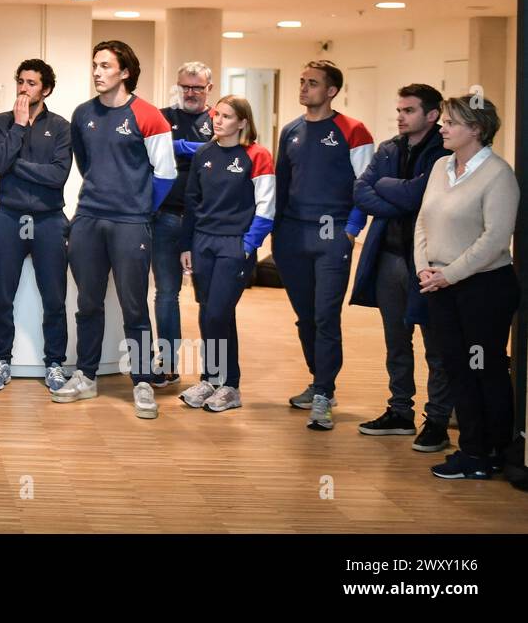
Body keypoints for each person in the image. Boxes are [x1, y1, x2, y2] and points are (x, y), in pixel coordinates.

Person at [61, 40, 176, 420]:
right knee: (87, 303)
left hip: (131, 222)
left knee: (134, 306)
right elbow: (86, 162)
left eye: (105, 66)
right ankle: (86, 375)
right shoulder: (82, 114)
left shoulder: (149, 116)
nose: (97, 72)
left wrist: (140, 208)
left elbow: (166, 173)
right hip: (89, 218)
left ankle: (142, 381)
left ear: (125, 72)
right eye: (94, 65)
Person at [414, 95, 520, 480]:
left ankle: (490, 452)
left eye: (451, 122)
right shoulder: (442, 166)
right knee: (457, 368)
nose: (442, 127)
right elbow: (423, 222)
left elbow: (495, 239)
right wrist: (425, 269)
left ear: (476, 129)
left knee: (483, 368)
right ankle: (471, 450)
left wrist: (450, 273)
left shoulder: (498, 174)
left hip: (483, 290)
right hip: (440, 287)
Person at [272, 60, 374, 431]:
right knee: (306, 317)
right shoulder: (291, 131)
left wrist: (351, 230)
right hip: (292, 236)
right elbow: (281, 183)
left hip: (332, 234)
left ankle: (323, 394)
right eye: (301, 81)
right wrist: (275, 231)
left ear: (331, 91)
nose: (303, 88)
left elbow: (366, 186)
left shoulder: (353, 131)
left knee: (326, 315)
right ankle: (320, 382)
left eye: (312, 83)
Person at [349, 84, 452, 452]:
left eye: (408, 110)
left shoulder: (445, 154)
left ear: (431, 115)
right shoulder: (388, 148)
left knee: (436, 345)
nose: (400, 116)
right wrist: (401, 197)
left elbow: (417, 197)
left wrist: (391, 192)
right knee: (397, 342)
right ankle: (400, 412)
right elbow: (361, 190)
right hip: (389, 257)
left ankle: (438, 420)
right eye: (399, 109)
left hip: (428, 262)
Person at [178, 95, 274, 413]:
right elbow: (192, 203)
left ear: (243, 122)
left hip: (234, 243)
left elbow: (267, 207)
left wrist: (248, 245)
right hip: (203, 241)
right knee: (210, 313)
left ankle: (229, 385)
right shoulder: (205, 152)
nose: (218, 120)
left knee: (218, 311)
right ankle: (214, 380)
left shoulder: (257, 156)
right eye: (216, 114)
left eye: (227, 116)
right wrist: (186, 245)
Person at [0, 59, 72, 393]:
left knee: (55, 297)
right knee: (1, 295)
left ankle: (54, 364)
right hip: (8, 216)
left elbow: (58, 176)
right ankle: (0, 361)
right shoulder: (0, 123)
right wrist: (19, 127)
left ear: (46, 89)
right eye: (20, 81)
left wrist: (16, 165)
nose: (24, 88)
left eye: (31, 83)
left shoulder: (62, 127)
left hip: (49, 219)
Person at [152, 61, 215, 387]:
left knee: (210, 298)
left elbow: (221, 152)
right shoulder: (163, 117)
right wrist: (194, 150)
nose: (190, 93)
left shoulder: (220, 119)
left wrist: (182, 147)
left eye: (198, 88)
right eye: (185, 87)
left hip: (206, 224)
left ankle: (213, 371)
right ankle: (169, 363)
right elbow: (149, 152)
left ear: (209, 90)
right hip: (165, 219)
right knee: (166, 293)